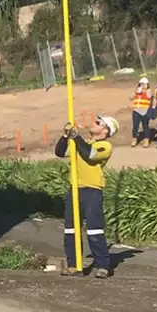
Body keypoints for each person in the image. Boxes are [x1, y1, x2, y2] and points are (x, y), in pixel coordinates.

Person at [55, 114, 118, 279]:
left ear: (105, 131)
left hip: (92, 190)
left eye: (98, 123)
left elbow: (90, 155)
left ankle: (103, 266)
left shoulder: (105, 146)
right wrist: (65, 136)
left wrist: (76, 137)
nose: (94, 124)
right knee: (71, 229)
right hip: (75, 189)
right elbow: (60, 152)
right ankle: (73, 265)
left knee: (94, 229)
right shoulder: (80, 143)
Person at [129, 76, 154, 147]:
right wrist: (136, 93)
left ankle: (146, 140)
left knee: (145, 126)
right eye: (141, 84)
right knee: (135, 126)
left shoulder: (149, 91)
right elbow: (130, 98)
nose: (142, 86)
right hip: (136, 110)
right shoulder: (137, 91)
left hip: (145, 111)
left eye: (144, 84)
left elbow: (149, 96)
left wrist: (145, 90)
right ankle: (134, 139)